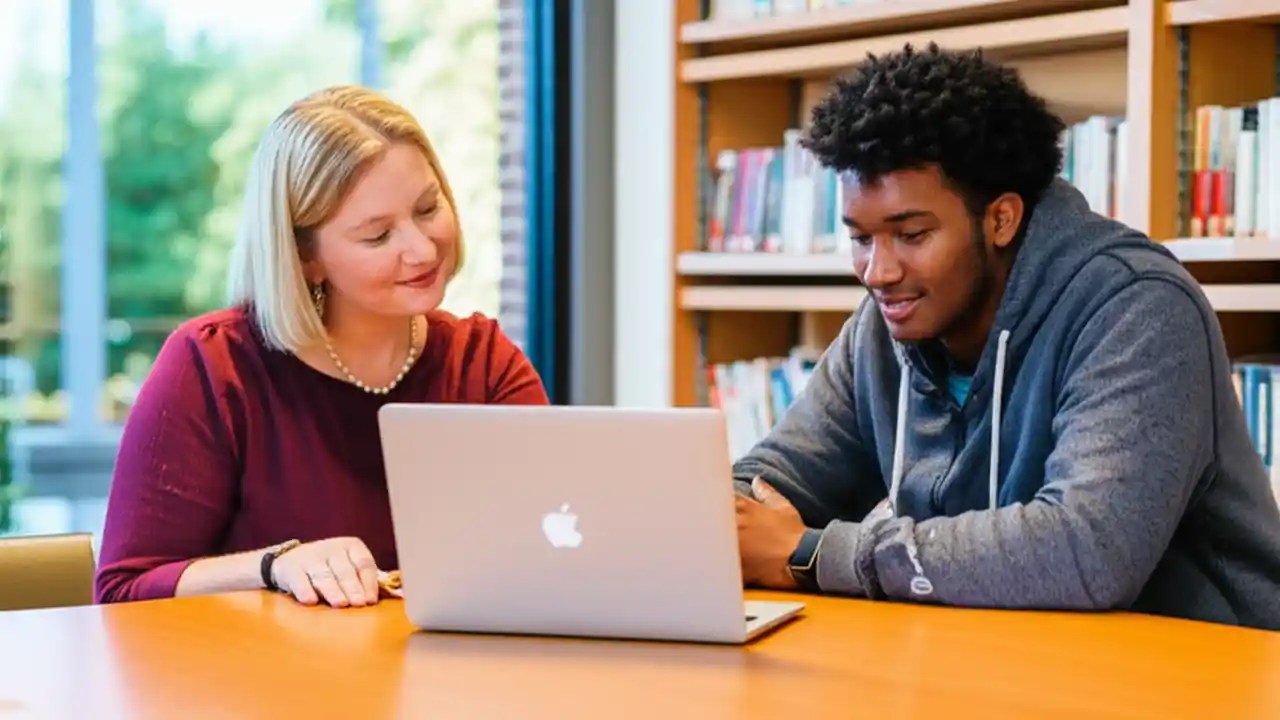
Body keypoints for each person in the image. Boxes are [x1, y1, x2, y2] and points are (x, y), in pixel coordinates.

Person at [733, 44, 1280, 630]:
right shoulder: (884, 325)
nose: (878, 272)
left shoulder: (1136, 307)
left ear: (1001, 219)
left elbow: (1087, 551)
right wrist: (717, 519)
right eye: (861, 239)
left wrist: (812, 555)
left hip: (1203, 675)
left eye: (911, 235)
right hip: (1001, 659)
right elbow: (771, 485)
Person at [94, 85, 548, 608]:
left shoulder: (483, 362)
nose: (422, 249)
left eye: (427, 208)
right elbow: (123, 591)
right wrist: (274, 566)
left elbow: (553, 545)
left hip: (443, 682)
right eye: (377, 236)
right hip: (262, 685)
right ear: (304, 255)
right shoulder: (214, 366)